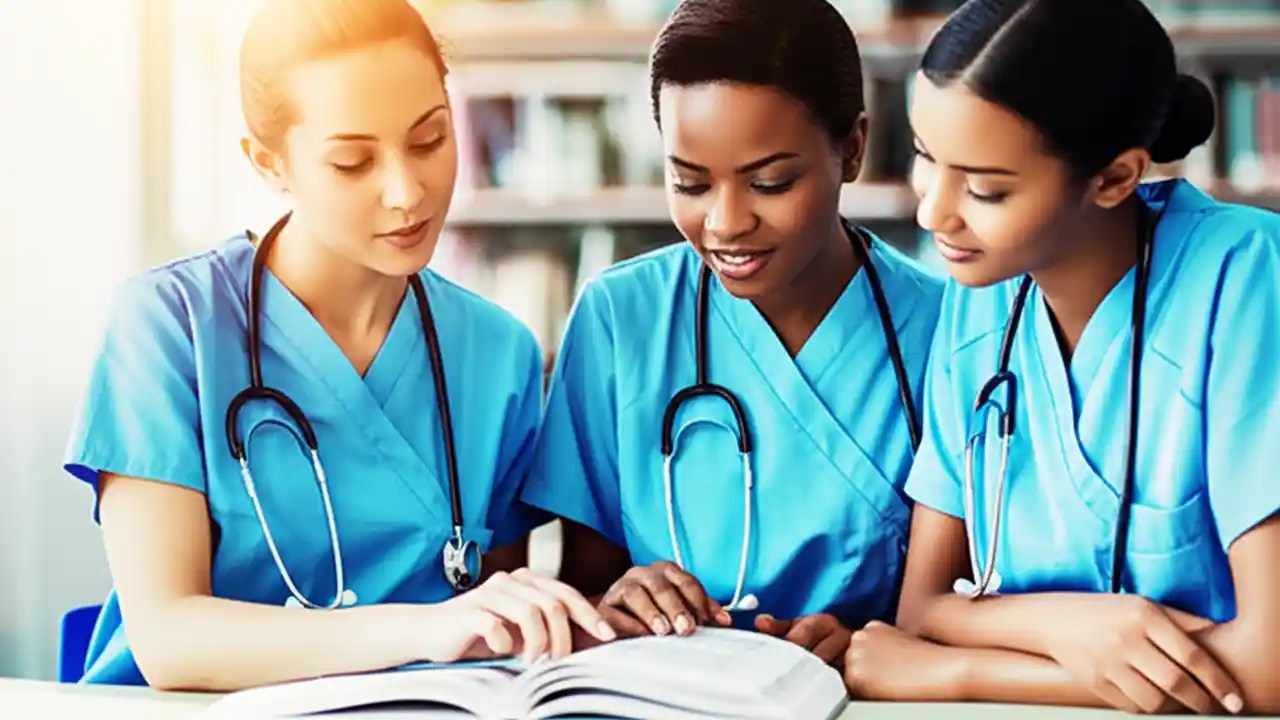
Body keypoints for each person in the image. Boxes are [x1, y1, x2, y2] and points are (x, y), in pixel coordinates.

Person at [62, 0, 613, 690]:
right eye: (353, 162)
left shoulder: (498, 354)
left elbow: (494, 641)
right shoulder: (170, 325)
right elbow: (169, 639)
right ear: (269, 163)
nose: (406, 192)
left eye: (429, 140)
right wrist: (423, 628)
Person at [840, 0, 1280, 714]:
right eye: (925, 157)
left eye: (985, 189)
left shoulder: (1246, 276)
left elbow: (1268, 665)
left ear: (1114, 179)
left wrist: (959, 673)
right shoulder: (981, 299)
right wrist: (1073, 626)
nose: (932, 213)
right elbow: (921, 610)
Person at [519, 0, 944, 667]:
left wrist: (870, 646)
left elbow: (960, 598)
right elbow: (587, 586)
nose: (725, 223)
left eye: (770, 183)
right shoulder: (620, 319)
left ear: (852, 148)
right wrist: (622, 600)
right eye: (689, 183)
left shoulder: (946, 330)